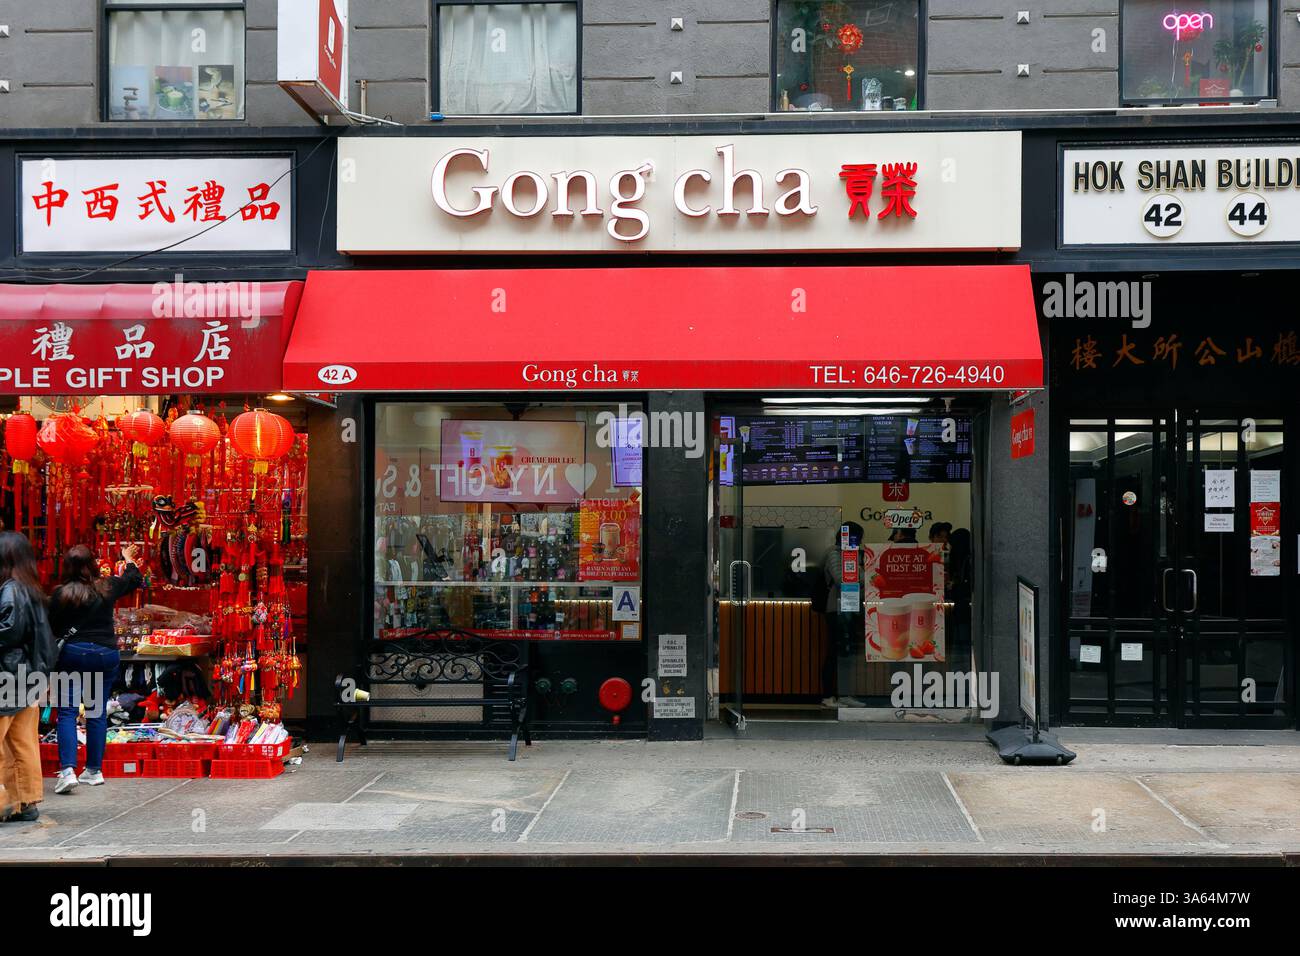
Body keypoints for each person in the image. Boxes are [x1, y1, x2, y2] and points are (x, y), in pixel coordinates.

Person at [49, 544, 142, 794]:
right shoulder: (106, 586)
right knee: (96, 711)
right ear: (92, 564)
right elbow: (133, 579)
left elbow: (53, 628)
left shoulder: (61, 594)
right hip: (104, 654)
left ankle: (68, 771)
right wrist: (128, 559)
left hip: (72, 655)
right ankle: (93, 770)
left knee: (67, 712)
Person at [0, 531, 53, 823]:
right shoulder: (30, 589)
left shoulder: (11, 590)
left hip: (8, 676)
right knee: (23, 742)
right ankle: (25, 801)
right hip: (27, 678)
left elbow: (9, 630)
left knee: (10, 744)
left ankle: (8, 801)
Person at [821, 521, 865, 708]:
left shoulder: (851, 555)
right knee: (835, 651)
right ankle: (829, 696)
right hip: (837, 607)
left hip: (850, 606)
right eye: (857, 538)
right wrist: (861, 577)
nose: (858, 542)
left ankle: (844, 693)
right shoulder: (834, 553)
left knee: (846, 653)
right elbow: (841, 578)